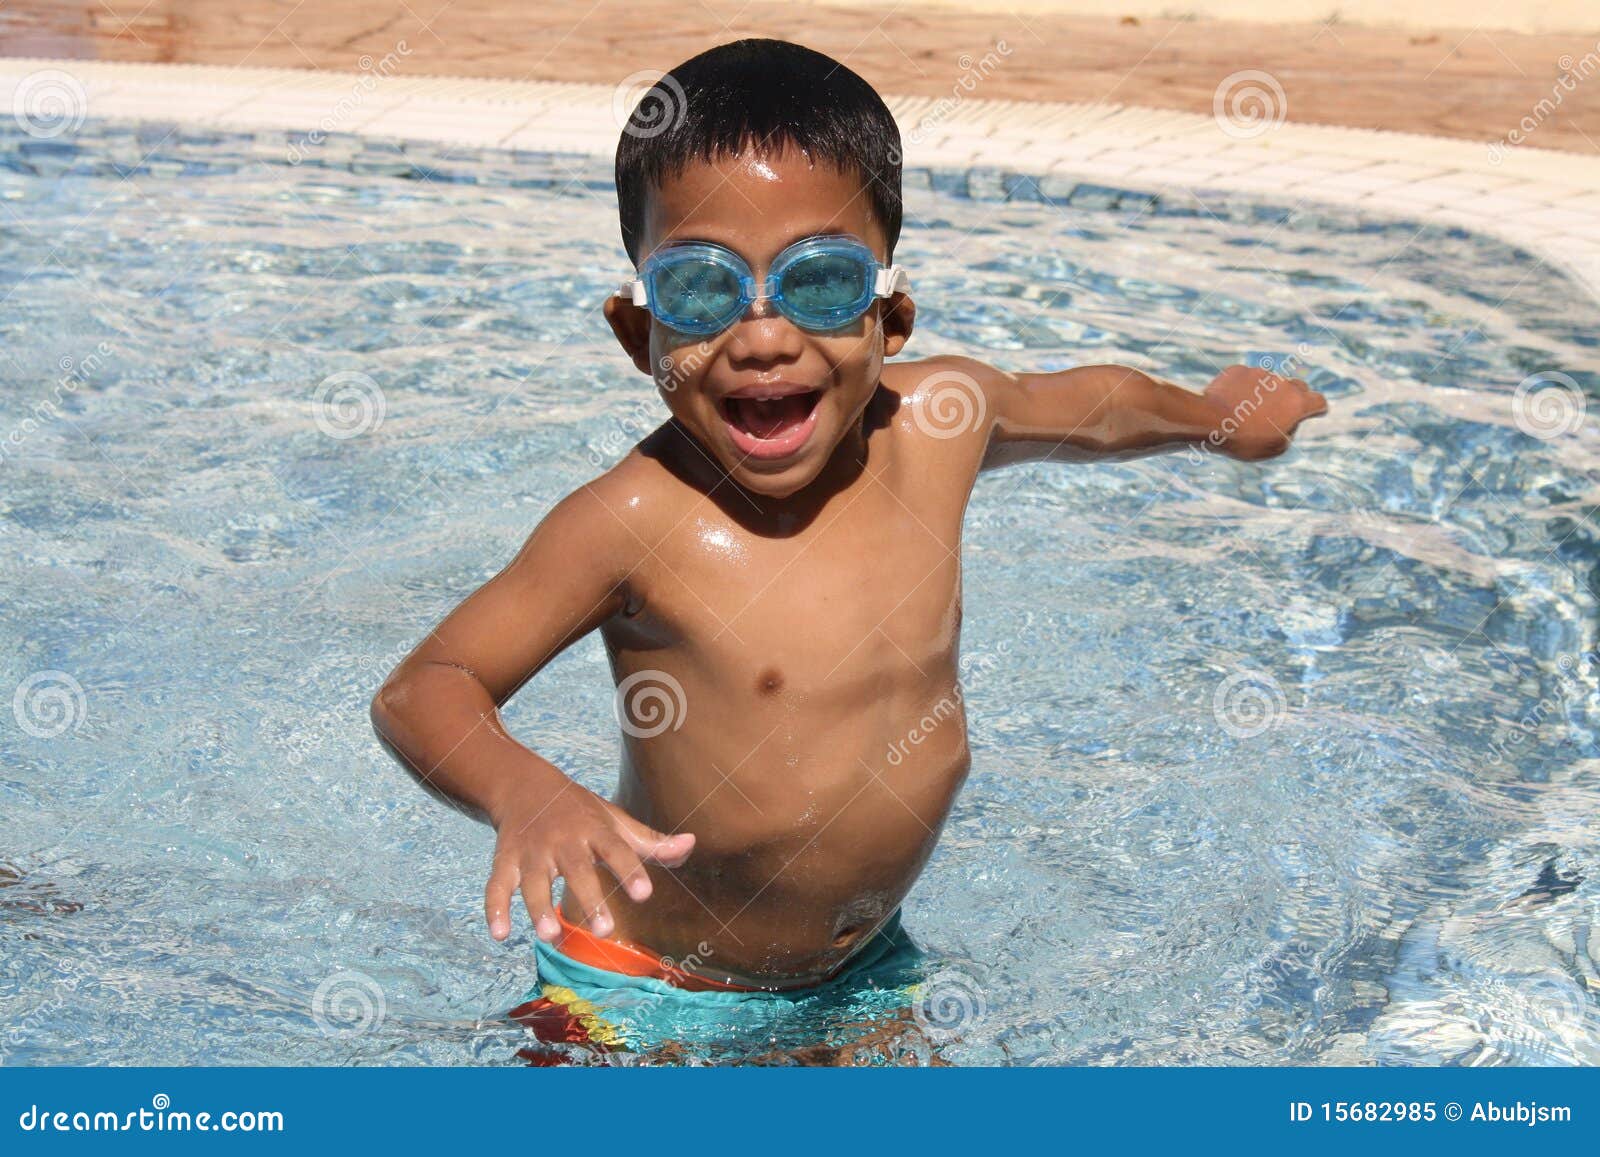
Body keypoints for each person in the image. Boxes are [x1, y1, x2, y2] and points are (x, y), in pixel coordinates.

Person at [371, 37, 1327, 1061]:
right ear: (633, 331)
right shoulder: (633, 520)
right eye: (700, 291)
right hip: (643, 982)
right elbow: (426, 684)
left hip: (863, 969)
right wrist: (529, 792)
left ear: (890, 315)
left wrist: (1216, 414)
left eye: (819, 283)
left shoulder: (939, 428)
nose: (763, 334)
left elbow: (1087, 404)